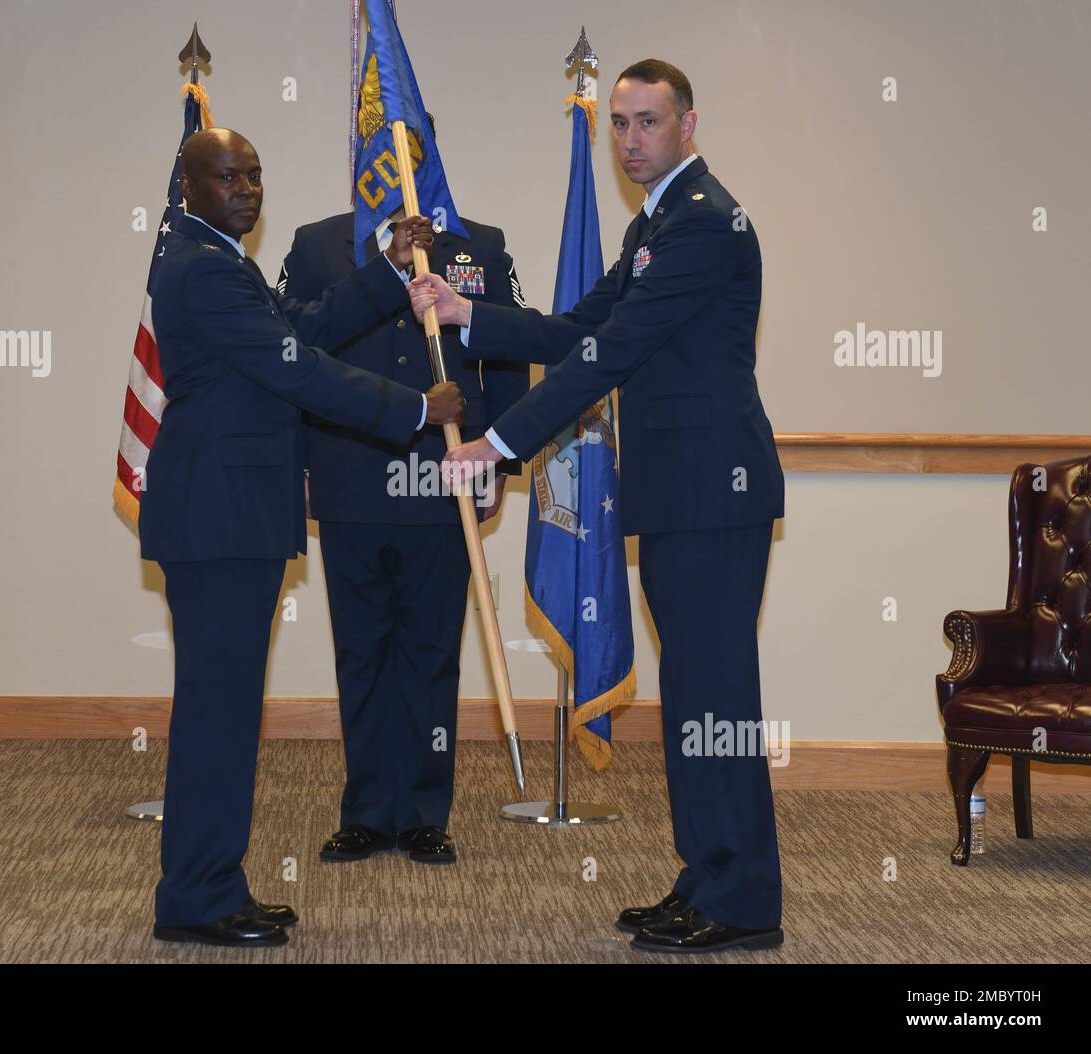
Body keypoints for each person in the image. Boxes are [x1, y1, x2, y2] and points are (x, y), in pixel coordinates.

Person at [407, 59, 786, 954]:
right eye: (619, 124)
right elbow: (579, 328)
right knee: (694, 695)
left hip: (714, 497)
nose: (630, 140)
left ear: (689, 126)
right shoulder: (655, 227)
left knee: (718, 698)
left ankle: (743, 902)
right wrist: (471, 313)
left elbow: (607, 356)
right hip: (680, 498)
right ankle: (708, 876)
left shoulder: (702, 225)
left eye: (648, 123)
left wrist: (498, 444)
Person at [139, 127, 464, 948]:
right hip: (219, 516)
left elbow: (306, 325)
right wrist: (414, 410)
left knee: (224, 707)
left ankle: (210, 883)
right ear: (189, 185)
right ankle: (198, 896)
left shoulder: (217, 256)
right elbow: (297, 366)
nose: (246, 189)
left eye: (255, 175)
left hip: (230, 514)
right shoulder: (201, 266)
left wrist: (389, 270)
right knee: (218, 711)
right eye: (227, 176)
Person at [277, 185, 528, 866]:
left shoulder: (481, 242)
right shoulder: (316, 243)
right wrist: (297, 464)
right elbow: (290, 356)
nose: (396, 165)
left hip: (442, 474)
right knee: (361, 651)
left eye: (411, 147)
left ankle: (421, 811)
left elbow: (504, 359)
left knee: (430, 649)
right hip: (349, 470)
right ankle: (364, 810)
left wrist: (498, 459)